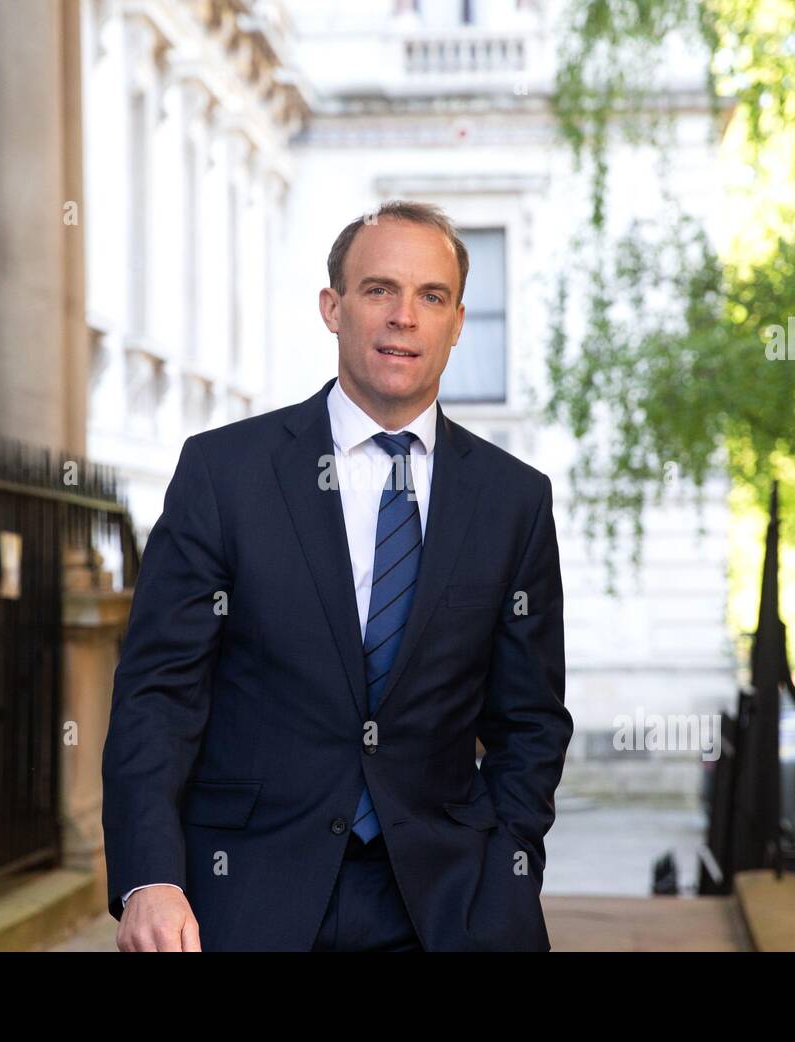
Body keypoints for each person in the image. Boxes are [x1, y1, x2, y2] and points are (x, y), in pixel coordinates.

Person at [102, 199, 573, 951]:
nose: (404, 318)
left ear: (456, 321)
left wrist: (508, 877)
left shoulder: (514, 499)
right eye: (380, 290)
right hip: (244, 899)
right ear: (334, 307)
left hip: (447, 907)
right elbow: (158, 695)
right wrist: (149, 877)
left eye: (432, 297)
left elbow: (529, 724)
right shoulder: (225, 475)